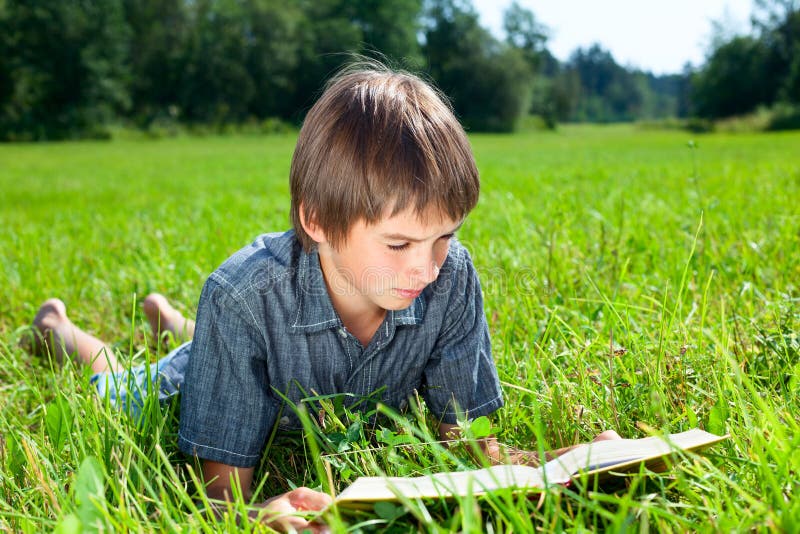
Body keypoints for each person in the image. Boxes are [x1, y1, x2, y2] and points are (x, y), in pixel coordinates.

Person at [29, 64, 619, 532]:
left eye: (445, 236)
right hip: (212, 358)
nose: (427, 267)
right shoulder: (241, 297)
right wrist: (258, 514)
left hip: (260, 355)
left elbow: (465, 445)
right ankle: (60, 329)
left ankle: (175, 322)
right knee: (128, 383)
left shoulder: (453, 277)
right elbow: (221, 500)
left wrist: (559, 461)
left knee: (219, 350)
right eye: (398, 243)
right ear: (317, 220)